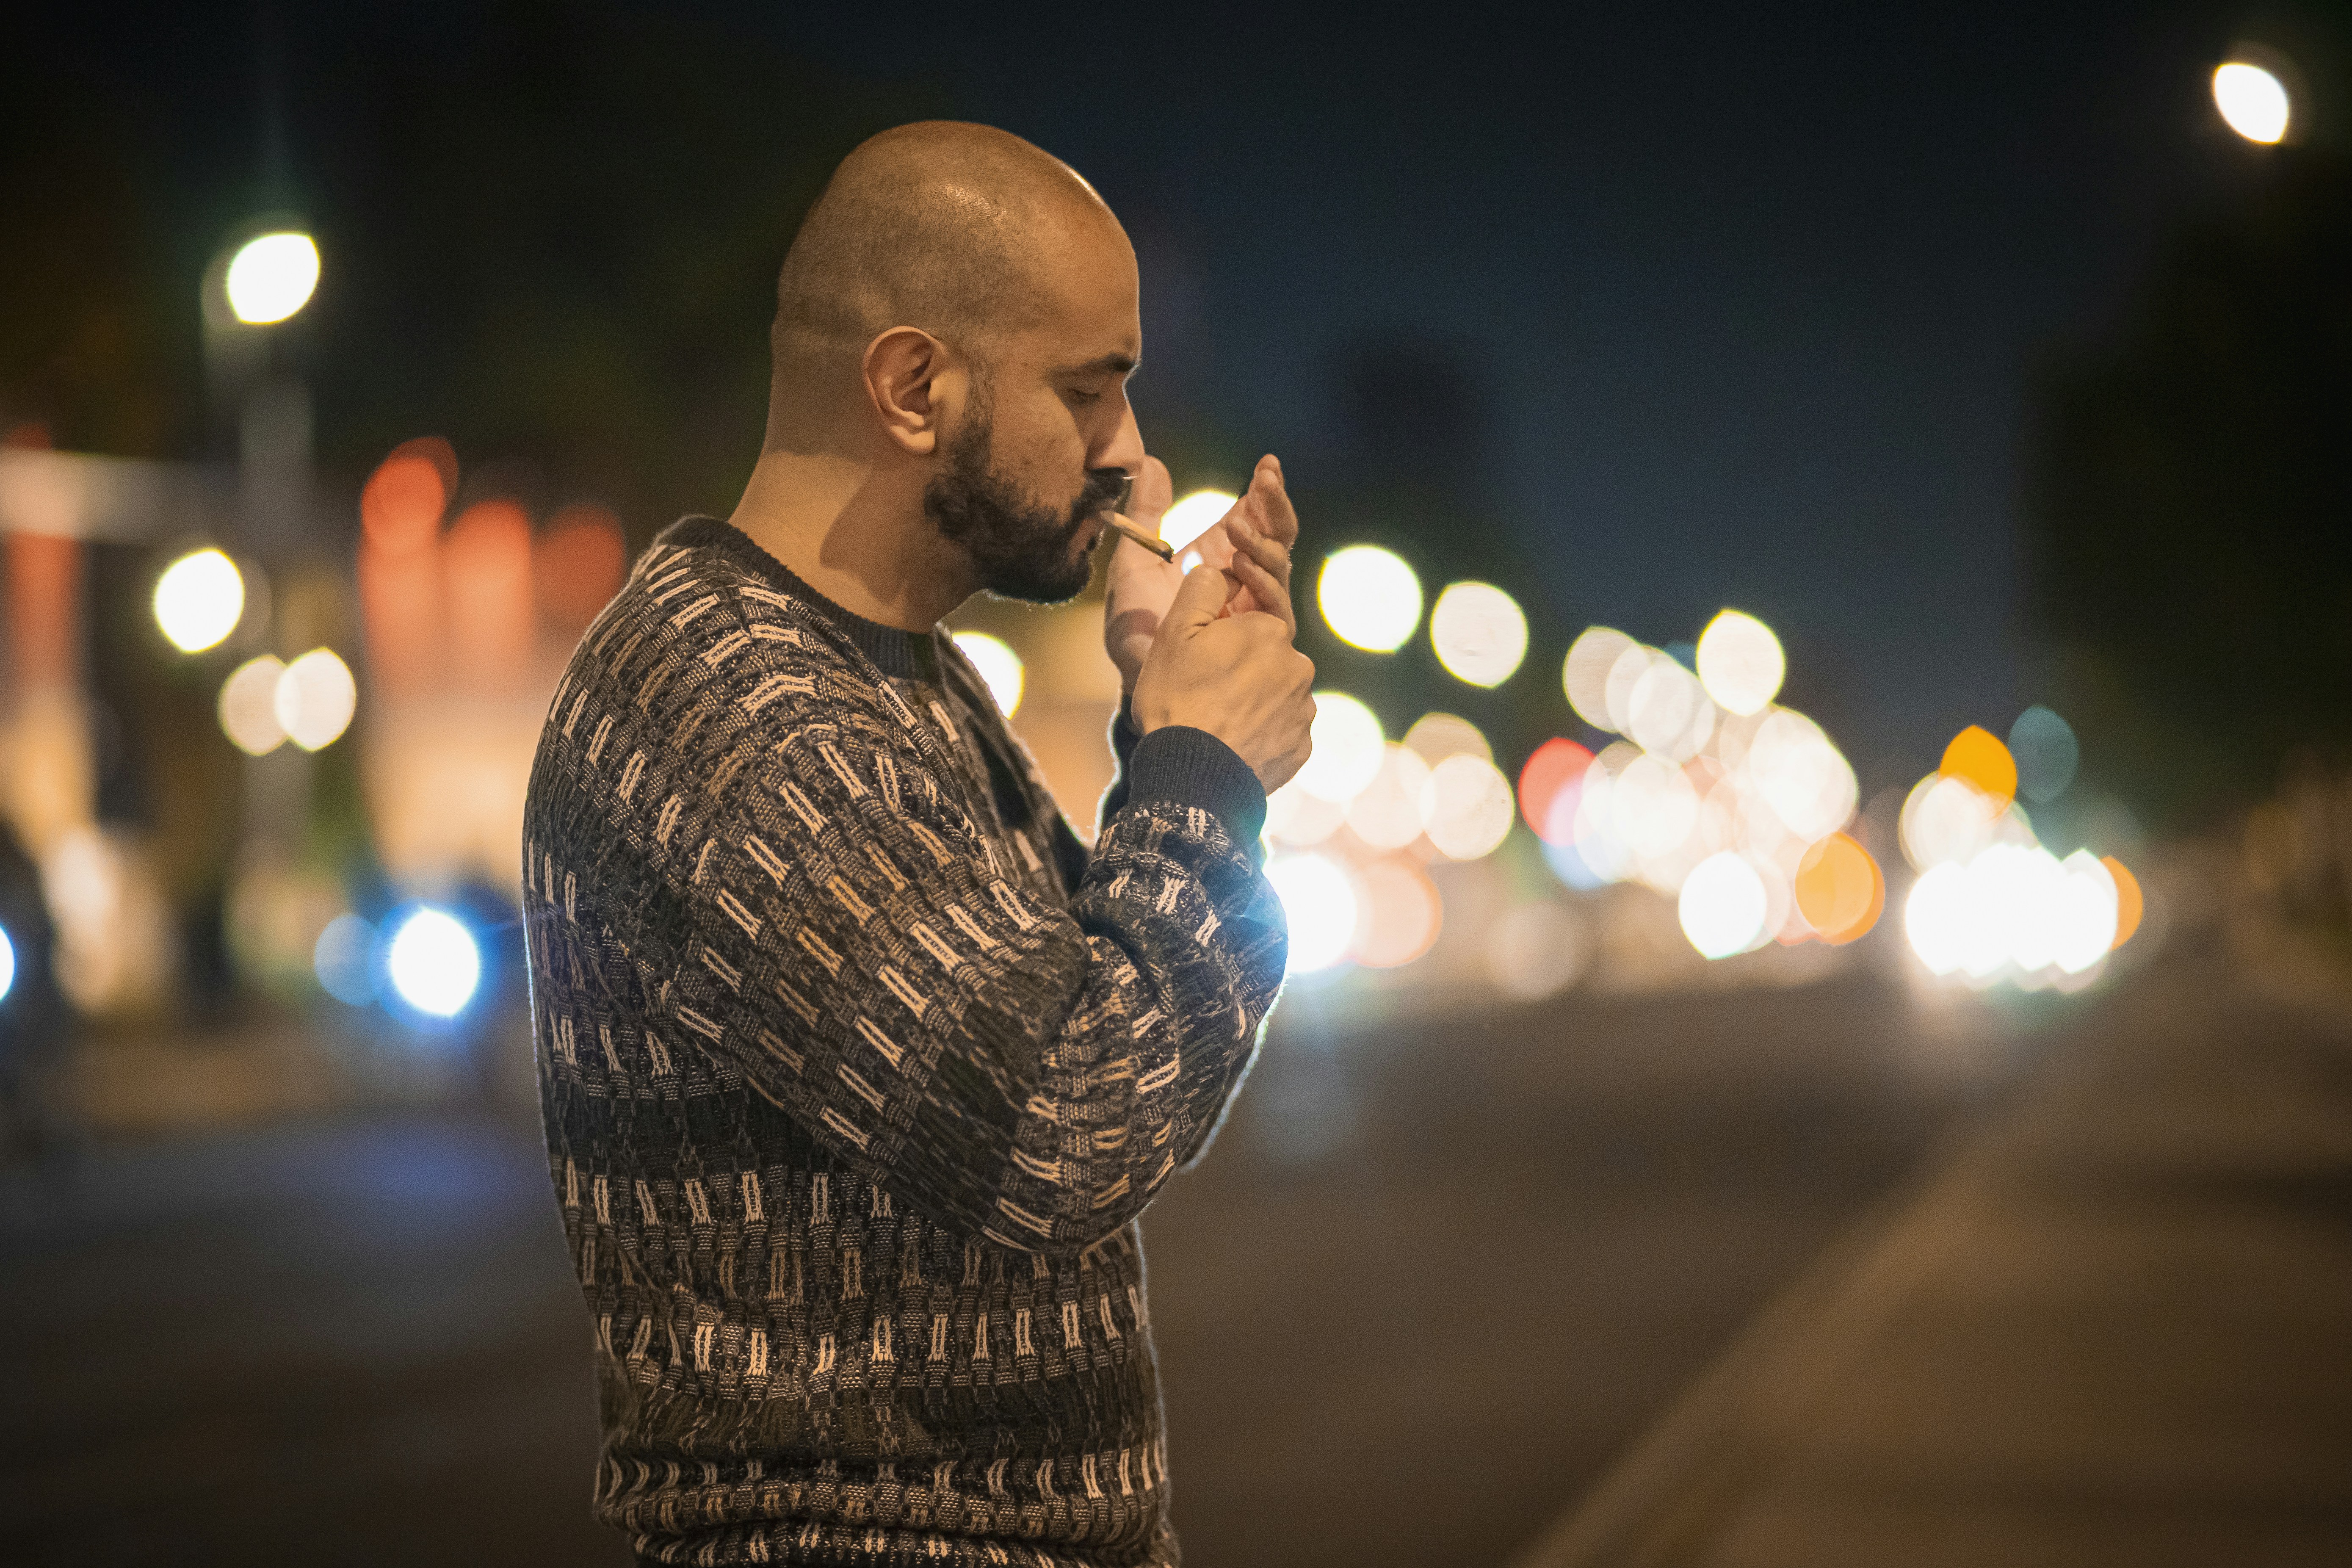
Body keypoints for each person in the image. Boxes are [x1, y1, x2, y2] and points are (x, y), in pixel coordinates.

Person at [521, 121, 1316, 1567]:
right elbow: (1067, 1125)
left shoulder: (901, 680)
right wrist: (1204, 775)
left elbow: (1111, 1015)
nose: (1132, 456)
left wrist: (1163, 730)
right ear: (911, 387)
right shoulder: (734, 707)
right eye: (1090, 391)